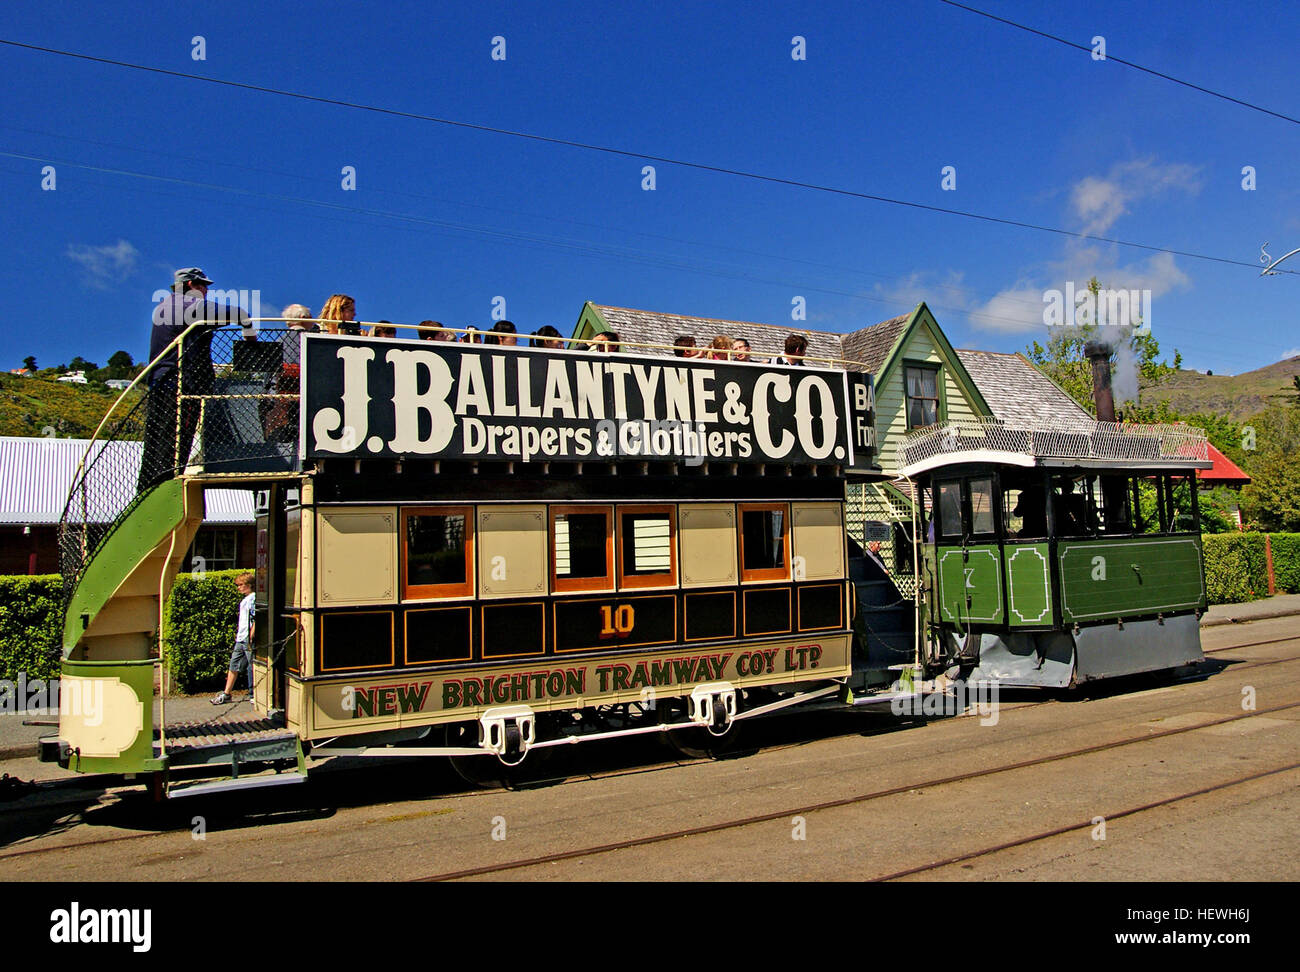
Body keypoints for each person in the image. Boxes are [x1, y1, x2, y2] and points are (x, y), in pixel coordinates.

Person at [138, 267, 249, 492]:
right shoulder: (186, 305)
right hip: (180, 383)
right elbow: (232, 313)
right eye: (203, 286)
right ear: (191, 285)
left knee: (157, 440)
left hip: (162, 381)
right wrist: (246, 324)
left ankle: (149, 486)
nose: (206, 291)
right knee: (177, 439)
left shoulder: (167, 305)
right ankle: (165, 485)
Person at [212, 572, 256, 704]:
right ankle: (227, 693)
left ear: (249, 585)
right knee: (234, 664)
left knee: (251, 665)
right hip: (241, 637)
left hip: (247, 637)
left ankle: (253, 693)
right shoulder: (246, 599)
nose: (238, 587)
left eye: (241, 585)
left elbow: (256, 618)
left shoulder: (253, 599)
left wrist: (251, 635)